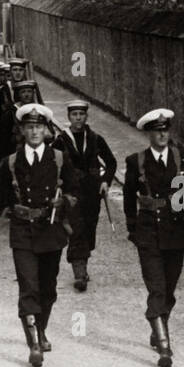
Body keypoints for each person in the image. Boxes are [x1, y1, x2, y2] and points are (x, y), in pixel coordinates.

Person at [0, 103, 78, 367]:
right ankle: (34, 344)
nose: (34, 131)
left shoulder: (60, 158)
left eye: (38, 127)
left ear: (46, 130)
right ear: (22, 131)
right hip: (22, 230)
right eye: (29, 127)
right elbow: (3, 194)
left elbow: (74, 190)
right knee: (28, 286)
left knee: (48, 288)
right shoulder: (11, 162)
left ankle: (41, 327)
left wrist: (65, 203)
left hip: (51, 230)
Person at [122, 107, 184, 367]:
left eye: (165, 130)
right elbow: (129, 197)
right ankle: (164, 346)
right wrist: (132, 228)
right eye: (157, 131)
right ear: (149, 134)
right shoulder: (136, 162)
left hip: (175, 233)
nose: (162, 135)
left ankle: (158, 324)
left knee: (170, 289)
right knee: (157, 288)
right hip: (148, 232)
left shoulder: (182, 159)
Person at [55, 101, 117, 291]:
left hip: (92, 192)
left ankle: (83, 263)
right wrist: (57, 182)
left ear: (86, 116)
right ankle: (79, 273)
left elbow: (111, 162)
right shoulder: (61, 140)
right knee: (76, 228)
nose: (78, 118)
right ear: (69, 117)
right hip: (72, 193)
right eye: (74, 115)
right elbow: (52, 163)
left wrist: (105, 180)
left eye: (81, 114)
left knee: (89, 228)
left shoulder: (96, 138)